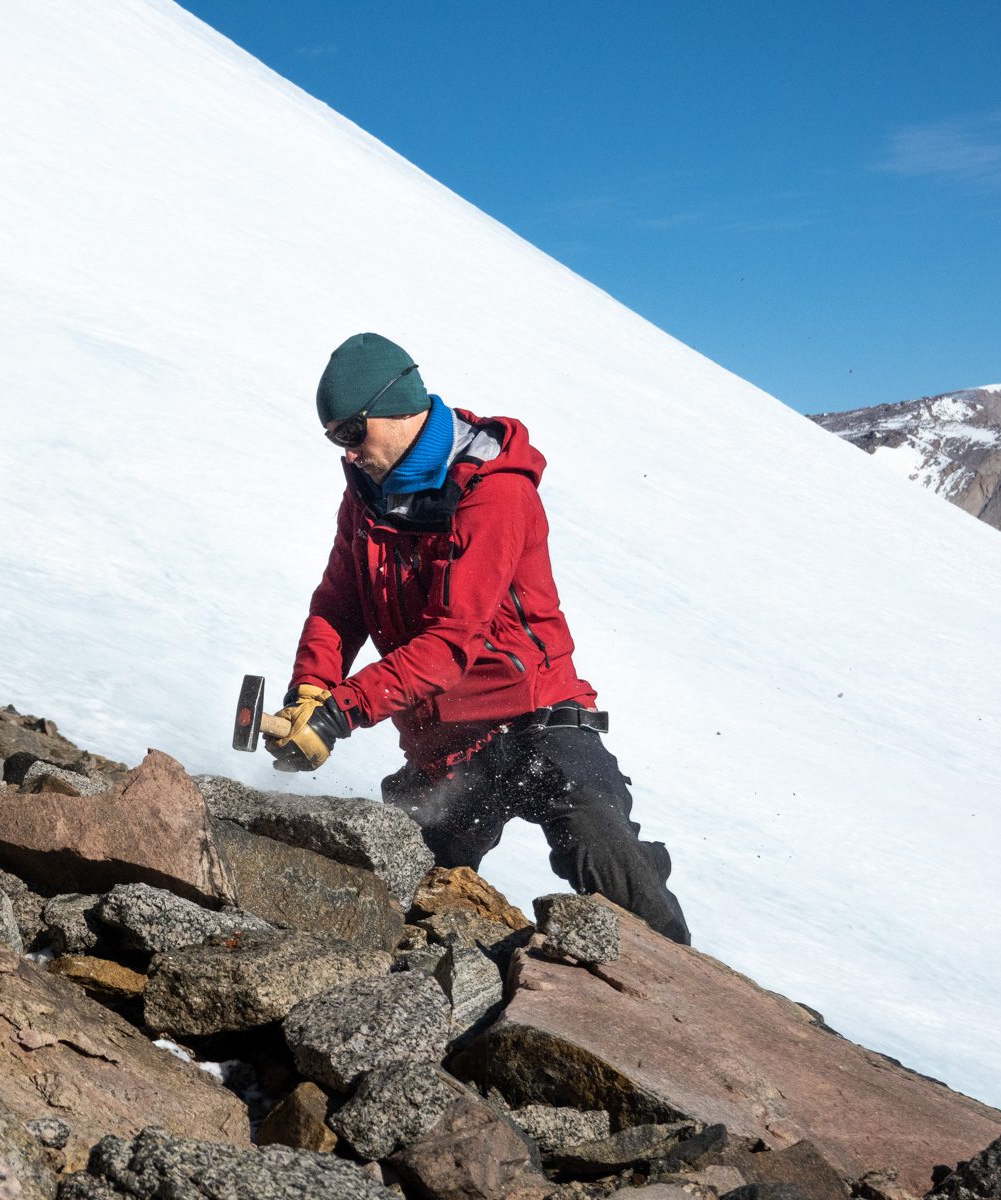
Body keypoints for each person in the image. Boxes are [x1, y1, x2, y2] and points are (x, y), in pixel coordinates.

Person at [267, 332, 691, 945]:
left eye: (351, 433)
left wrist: (337, 715)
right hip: (446, 746)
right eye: (335, 437)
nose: (346, 452)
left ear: (396, 409)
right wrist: (310, 689)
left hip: (538, 722)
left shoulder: (493, 489)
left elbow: (453, 642)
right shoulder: (364, 498)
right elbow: (340, 602)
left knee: (613, 869)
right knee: (389, 889)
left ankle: (692, 1008)